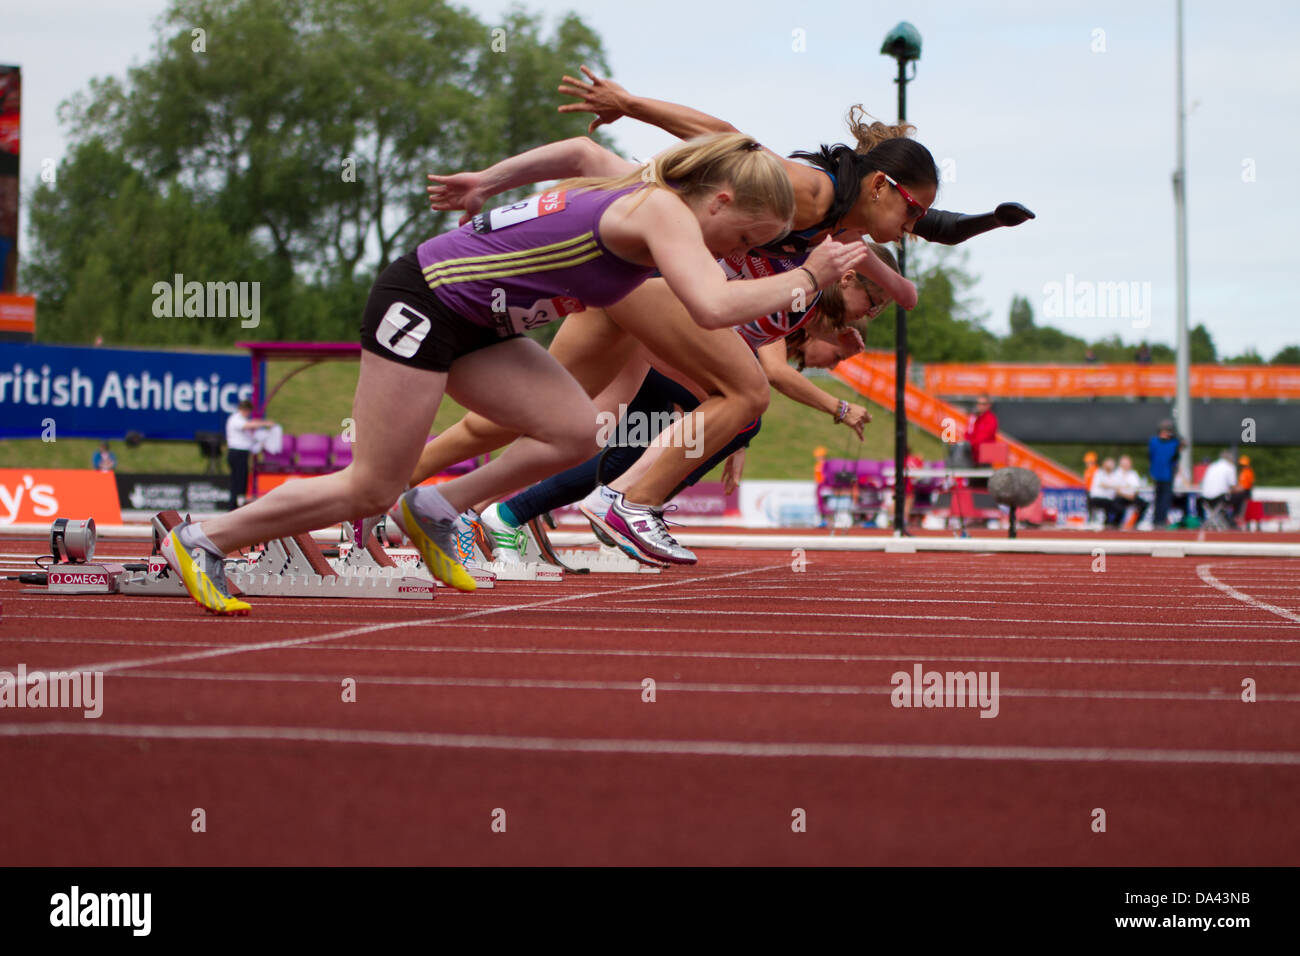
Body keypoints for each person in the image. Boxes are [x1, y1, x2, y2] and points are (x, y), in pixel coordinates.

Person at [161, 132, 870, 614]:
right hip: (425, 303)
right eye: (742, 238)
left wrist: (489, 180)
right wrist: (807, 277)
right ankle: (206, 540)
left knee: (575, 430)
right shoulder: (663, 212)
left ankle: (438, 507)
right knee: (372, 480)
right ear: (718, 202)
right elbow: (712, 307)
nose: (735, 253)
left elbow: (582, 147)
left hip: (483, 326)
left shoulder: (640, 183)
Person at [415, 74, 1033, 562]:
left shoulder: (851, 225)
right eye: (911, 213)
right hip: (657, 276)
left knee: (509, 424)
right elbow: (729, 136)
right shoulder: (811, 193)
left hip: (628, 283)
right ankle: (628, 502)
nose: (913, 228)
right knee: (747, 392)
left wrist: (990, 222)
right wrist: (631, 105)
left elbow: (927, 254)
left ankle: (383, 493)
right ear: (879, 187)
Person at [224, 400, 272, 511]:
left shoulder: (242, 419)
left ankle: (238, 505)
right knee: (238, 481)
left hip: (242, 453)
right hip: (237, 452)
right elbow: (247, 425)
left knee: (242, 480)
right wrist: (265, 423)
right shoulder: (235, 419)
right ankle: (234, 507)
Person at [1147, 419, 1182, 527]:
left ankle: (1159, 520)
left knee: (1163, 499)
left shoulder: (1169, 442)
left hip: (1164, 474)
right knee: (1161, 499)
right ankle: (1158, 520)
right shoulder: (1171, 443)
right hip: (1163, 474)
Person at [1198, 449, 1238, 523]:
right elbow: (1233, 486)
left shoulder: (1212, 466)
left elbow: (1202, 483)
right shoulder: (1230, 467)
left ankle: (1224, 519)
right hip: (1218, 498)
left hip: (1204, 498)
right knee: (1239, 497)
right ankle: (1232, 519)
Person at [1112, 455, 1147, 529]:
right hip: (1121, 497)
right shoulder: (1116, 473)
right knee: (1119, 506)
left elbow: (1137, 487)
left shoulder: (1133, 473)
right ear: (1121, 464)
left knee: (1143, 504)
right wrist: (1127, 496)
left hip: (1132, 496)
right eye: (1126, 464)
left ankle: (1136, 524)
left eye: (1129, 464)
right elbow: (1116, 490)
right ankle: (1116, 524)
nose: (1128, 465)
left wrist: (1134, 495)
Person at [965, 395, 998, 462]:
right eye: (979, 404)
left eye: (983, 404)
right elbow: (968, 434)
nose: (980, 406)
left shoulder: (991, 419)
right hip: (974, 455)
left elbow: (983, 438)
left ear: (989, 405)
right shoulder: (975, 418)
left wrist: (970, 443)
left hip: (985, 456)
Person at [1088, 457, 1118, 528]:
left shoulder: (1114, 475)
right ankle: (1102, 522)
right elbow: (1104, 484)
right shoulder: (1099, 473)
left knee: (1118, 506)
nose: (1110, 466)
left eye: (1112, 465)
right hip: (1097, 498)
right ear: (1104, 465)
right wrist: (1115, 487)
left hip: (1108, 499)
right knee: (1110, 504)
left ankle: (1113, 524)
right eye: (1109, 464)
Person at [1231, 454, 1255, 523]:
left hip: (1245, 493)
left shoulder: (1248, 472)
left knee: (1235, 499)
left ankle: (1236, 517)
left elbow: (1245, 486)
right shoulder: (1244, 472)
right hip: (1242, 492)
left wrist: (1234, 490)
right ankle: (1234, 516)